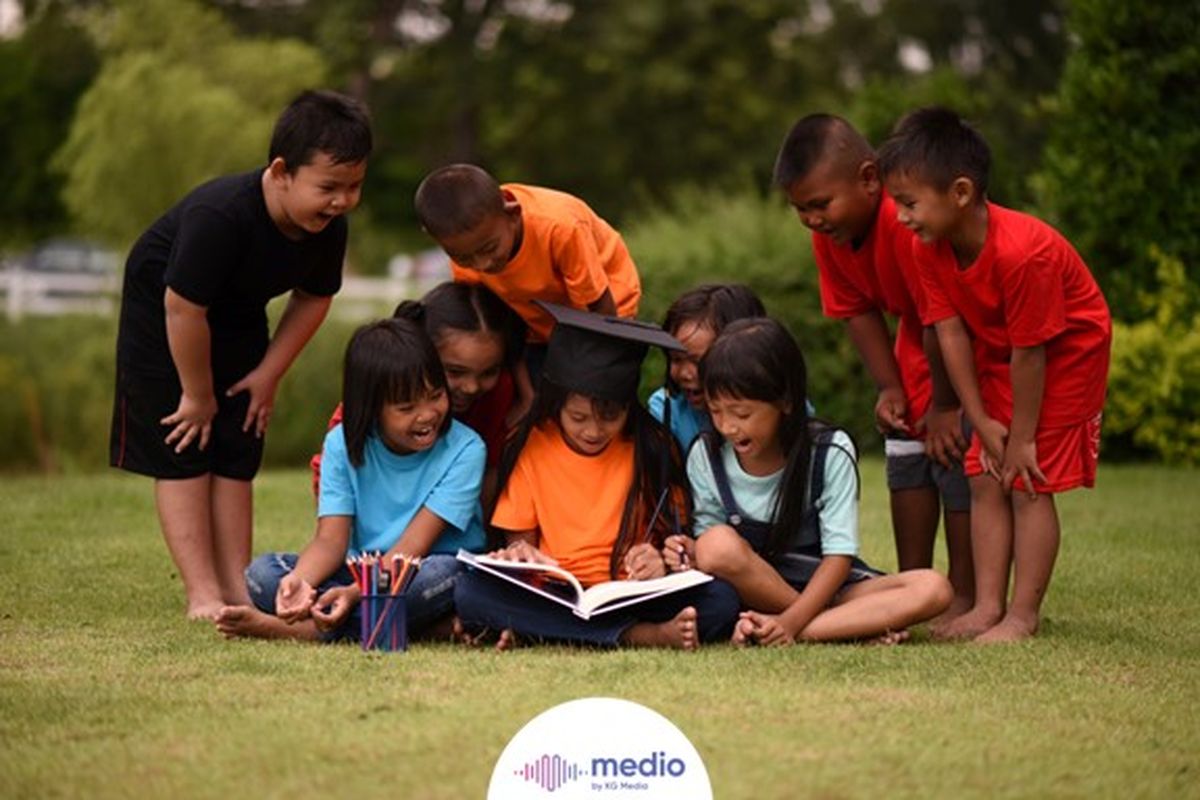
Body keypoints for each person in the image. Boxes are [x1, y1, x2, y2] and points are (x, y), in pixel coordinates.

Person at [109, 90, 372, 620]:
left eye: (354, 187)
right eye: (328, 187)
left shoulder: (328, 228)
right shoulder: (221, 215)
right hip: (166, 315)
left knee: (238, 441)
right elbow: (182, 309)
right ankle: (202, 593)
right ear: (281, 172)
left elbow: (314, 298)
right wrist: (197, 394)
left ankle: (237, 587)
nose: (341, 201)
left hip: (238, 312)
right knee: (186, 441)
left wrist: (268, 375)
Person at [878, 107, 1112, 643]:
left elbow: (1034, 352)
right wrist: (978, 420)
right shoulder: (928, 248)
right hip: (1003, 349)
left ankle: (1022, 617)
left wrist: (1023, 438)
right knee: (984, 471)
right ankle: (986, 607)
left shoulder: (1023, 254)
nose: (900, 217)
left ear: (960, 192)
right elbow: (951, 333)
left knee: (1026, 479)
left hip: (1065, 354)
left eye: (909, 203)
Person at [772, 113, 974, 626]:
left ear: (868, 179)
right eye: (801, 210)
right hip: (917, 340)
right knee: (905, 453)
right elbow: (857, 311)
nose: (813, 219)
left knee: (952, 459)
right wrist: (891, 387)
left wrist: (946, 405)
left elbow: (941, 317)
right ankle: (911, 586)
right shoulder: (832, 238)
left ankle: (966, 595)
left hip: (960, 345)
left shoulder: (905, 222)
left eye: (820, 204)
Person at [454, 303, 741, 650]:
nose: (592, 431)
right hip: (556, 592)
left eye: (610, 417)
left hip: (630, 592)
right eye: (578, 417)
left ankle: (543, 631)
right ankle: (640, 636)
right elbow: (521, 545)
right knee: (470, 593)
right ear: (557, 403)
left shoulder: (652, 445)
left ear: (628, 408)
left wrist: (656, 559)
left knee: (721, 599)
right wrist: (519, 556)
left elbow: (672, 540)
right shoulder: (530, 444)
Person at [665, 318, 952, 645]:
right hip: (751, 589)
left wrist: (792, 621)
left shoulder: (829, 451)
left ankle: (788, 629)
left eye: (742, 414)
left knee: (933, 588)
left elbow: (839, 556)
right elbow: (712, 548)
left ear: (786, 402)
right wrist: (689, 549)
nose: (728, 427)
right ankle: (849, 628)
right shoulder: (707, 454)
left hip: (830, 586)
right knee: (715, 545)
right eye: (716, 411)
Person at [215, 317, 487, 641]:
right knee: (264, 574)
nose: (427, 414)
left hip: (418, 570)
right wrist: (300, 583)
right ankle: (413, 627)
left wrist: (354, 594)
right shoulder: (340, 444)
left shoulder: (466, 449)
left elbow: (411, 549)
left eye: (435, 395)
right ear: (371, 408)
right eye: (407, 406)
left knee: (446, 575)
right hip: (359, 573)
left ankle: (301, 630)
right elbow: (330, 541)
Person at [413, 164, 642, 426]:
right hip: (537, 317)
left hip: (604, 311)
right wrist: (527, 396)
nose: (483, 264)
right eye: (463, 258)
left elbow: (601, 311)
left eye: (490, 248)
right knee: (540, 412)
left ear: (512, 214)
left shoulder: (560, 228)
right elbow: (501, 328)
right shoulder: (469, 252)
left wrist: (593, 378)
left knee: (588, 407)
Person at [310, 282, 523, 510]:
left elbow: (491, 469)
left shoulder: (496, 394)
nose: (471, 387)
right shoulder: (376, 399)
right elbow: (333, 474)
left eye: (489, 372)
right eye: (454, 371)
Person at [648, 284, 768, 452]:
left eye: (698, 362)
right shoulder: (668, 412)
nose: (685, 373)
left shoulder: (775, 408)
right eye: (675, 359)